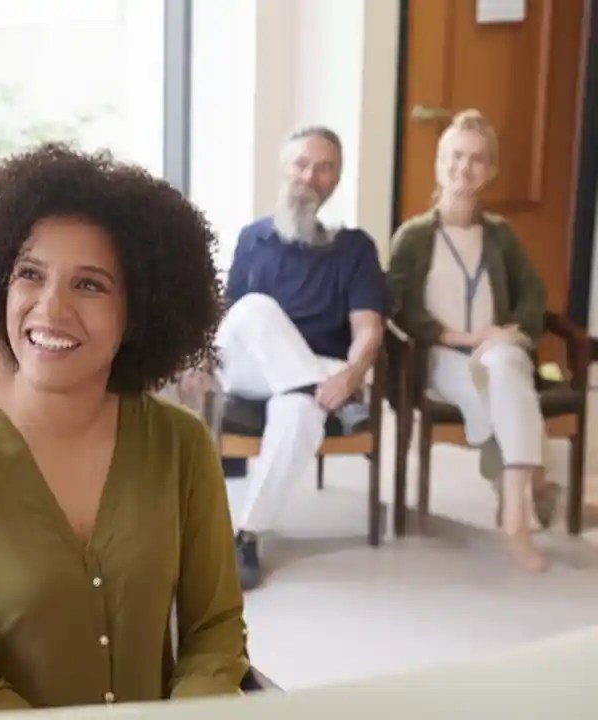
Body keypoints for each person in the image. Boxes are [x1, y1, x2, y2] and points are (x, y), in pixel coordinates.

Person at [0, 143, 249, 712]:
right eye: (30, 274)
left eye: (90, 285)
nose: (50, 309)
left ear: (140, 311)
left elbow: (215, 634)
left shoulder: (181, 445)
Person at [183, 126, 387, 591]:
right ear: (283, 169)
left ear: (337, 178)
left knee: (300, 410)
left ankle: (245, 535)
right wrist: (201, 360)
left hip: (322, 373)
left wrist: (354, 373)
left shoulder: (354, 248)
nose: (309, 175)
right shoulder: (253, 237)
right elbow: (225, 318)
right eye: (300, 163)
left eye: (324, 167)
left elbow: (368, 327)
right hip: (251, 368)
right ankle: (312, 384)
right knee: (256, 307)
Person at [388, 109, 555, 572]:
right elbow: (400, 306)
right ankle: (532, 482)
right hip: (441, 355)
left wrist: (507, 333)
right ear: (439, 162)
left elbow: (533, 294)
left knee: (502, 364)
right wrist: (458, 336)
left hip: (499, 351)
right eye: (455, 156)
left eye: (477, 159)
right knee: (496, 382)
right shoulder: (414, 236)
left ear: (492, 170)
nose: (465, 168)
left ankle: (515, 514)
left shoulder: (501, 234)